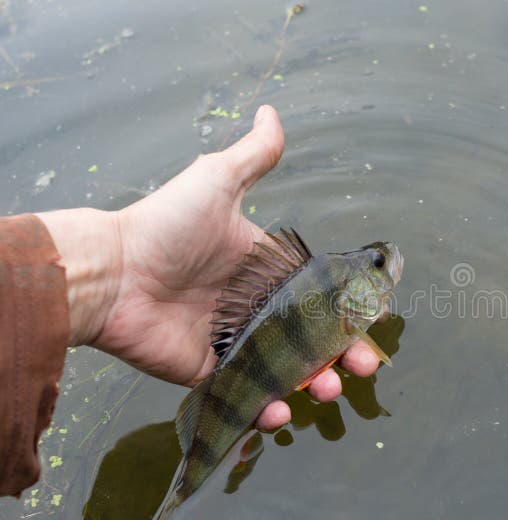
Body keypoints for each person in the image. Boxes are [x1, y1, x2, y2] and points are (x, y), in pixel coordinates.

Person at [0, 105, 381, 497]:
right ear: (352, 292)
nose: (384, 263)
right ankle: (185, 493)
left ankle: (185, 493)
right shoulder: (333, 293)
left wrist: (116, 270)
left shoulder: (332, 286)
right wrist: (118, 267)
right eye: (378, 265)